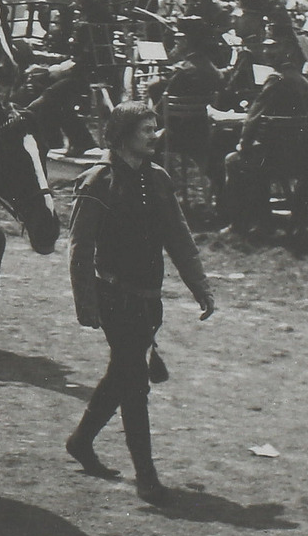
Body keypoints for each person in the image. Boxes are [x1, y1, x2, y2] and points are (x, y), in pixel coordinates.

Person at [65, 100, 217, 504]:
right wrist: (86, 304)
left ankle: (81, 441)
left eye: (155, 128)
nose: (155, 135)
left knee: (122, 373)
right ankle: (146, 476)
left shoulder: (159, 179)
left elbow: (179, 237)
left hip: (150, 300)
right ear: (122, 134)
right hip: (114, 296)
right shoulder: (99, 181)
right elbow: (80, 248)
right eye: (146, 129)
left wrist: (200, 286)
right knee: (134, 383)